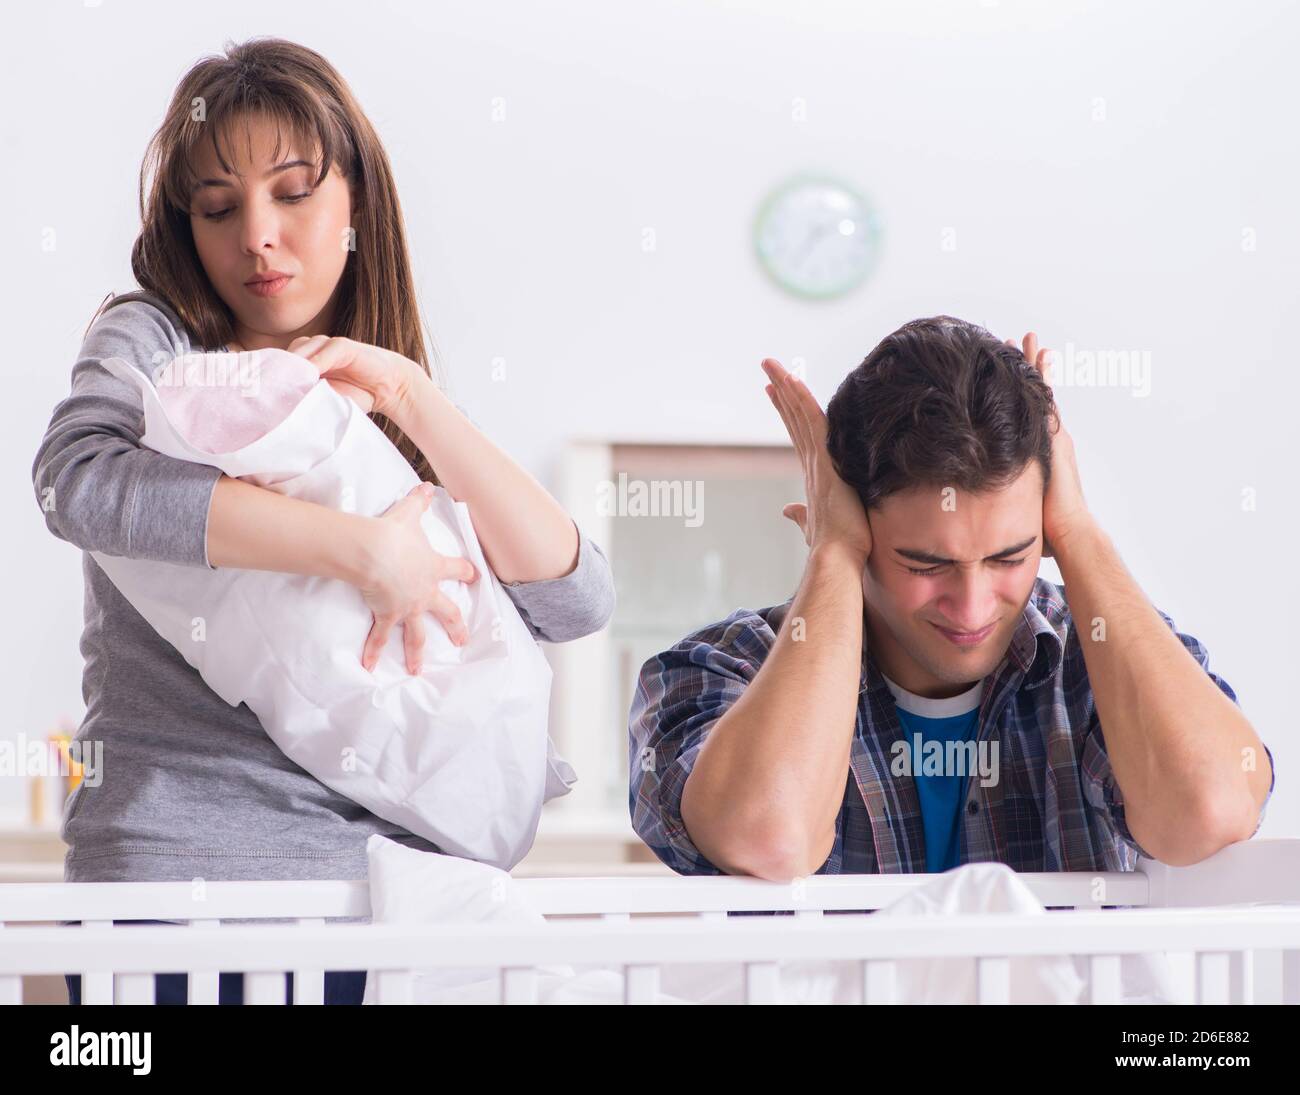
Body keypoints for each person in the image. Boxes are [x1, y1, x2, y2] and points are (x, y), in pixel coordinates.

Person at [35, 37, 614, 1004]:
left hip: (390, 904)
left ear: (358, 201)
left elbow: (576, 597)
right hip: (192, 886)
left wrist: (414, 396)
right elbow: (78, 481)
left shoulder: (375, 401)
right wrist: (363, 553)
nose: (257, 235)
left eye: (293, 191)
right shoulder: (156, 338)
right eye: (218, 207)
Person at [629, 316, 1273, 879]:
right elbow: (772, 838)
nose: (971, 607)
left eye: (1009, 556)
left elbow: (1210, 810)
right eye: (926, 562)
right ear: (852, 516)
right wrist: (833, 554)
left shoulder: (1094, 658)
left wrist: (1080, 534)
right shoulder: (725, 668)